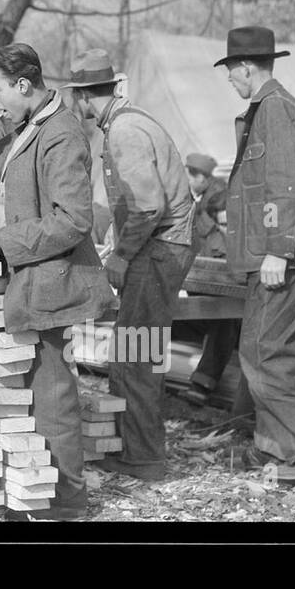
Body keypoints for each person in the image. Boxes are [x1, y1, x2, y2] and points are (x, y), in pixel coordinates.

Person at [0, 44, 115, 520]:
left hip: (53, 281)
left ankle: (66, 505)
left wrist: (4, 237)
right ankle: (43, 494)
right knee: (41, 393)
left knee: (53, 397)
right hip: (33, 274)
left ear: (23, 85)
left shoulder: (60, 135)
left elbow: (73, 220)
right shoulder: (26, 126)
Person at [65, 49, 196, 483]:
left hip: (157, 250)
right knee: (136, 352)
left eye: (77, 96)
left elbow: (147, 207)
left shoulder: (123, 131)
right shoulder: (127, 121)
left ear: (85, 95)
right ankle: (137, 451)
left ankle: (144, 458)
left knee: (137, 354)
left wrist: (120, 255)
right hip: (160, 248)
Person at [216, 26, 295, 482]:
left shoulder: (273, 109)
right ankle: (278, 449)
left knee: (266, 354)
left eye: (231, 72)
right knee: (271, 351)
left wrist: (277, 251)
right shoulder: (272, 108)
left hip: (289, 257)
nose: (229, 81)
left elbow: (287, 185)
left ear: (246, 68)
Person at [181, 152, 240, 406]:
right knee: (158, 316)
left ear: (202, 177)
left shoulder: (220, 197)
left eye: (192, 176)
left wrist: (197, 213)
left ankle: (203, 384)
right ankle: (142, 376)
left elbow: (222, 243)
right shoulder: (192, 197)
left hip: (221, 279)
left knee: (224, 319)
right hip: (195, 276)